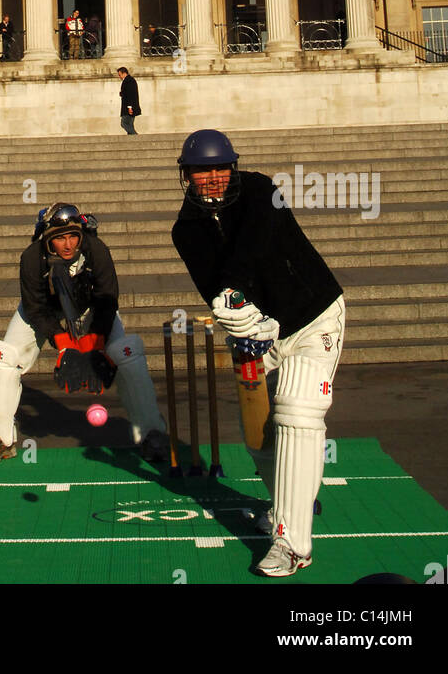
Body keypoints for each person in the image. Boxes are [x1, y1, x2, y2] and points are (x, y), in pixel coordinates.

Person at [170, 129, 345, 578]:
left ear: (232, 166)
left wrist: (233, 296)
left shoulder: (261, 190)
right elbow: (214, 290)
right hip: (257, 331)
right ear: (186, 175)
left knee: (297, 410)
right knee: (260, 434)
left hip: (312, 315)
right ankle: (287, 500)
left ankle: (291, 544)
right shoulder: (185, 230)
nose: (211, 178)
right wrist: (242, 322)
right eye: (201, 171)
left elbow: (251, 249)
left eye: (219, 168)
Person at [0, 202, 167, 465]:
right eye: (60, 239)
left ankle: (151, 433)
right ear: (48, 239)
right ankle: (0, 438)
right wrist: (63, 342)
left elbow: (108, 298)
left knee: (128, 352)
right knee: (2, 356)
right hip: (46, 312)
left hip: (91, 308)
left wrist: (96, 340)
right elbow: (35, 307)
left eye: (73, 236)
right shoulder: (32, 258)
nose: (68, 245)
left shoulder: (96, 250)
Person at [117, 66, 141, 134]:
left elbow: (130, 94)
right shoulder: (130, 80)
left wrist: (130, 107)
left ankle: (136, 136)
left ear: (124, 73)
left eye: (120, 75)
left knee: (124, 123)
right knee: (130, 125)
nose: (120, 77)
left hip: (129, 108)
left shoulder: (128, 81)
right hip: (131, 107)